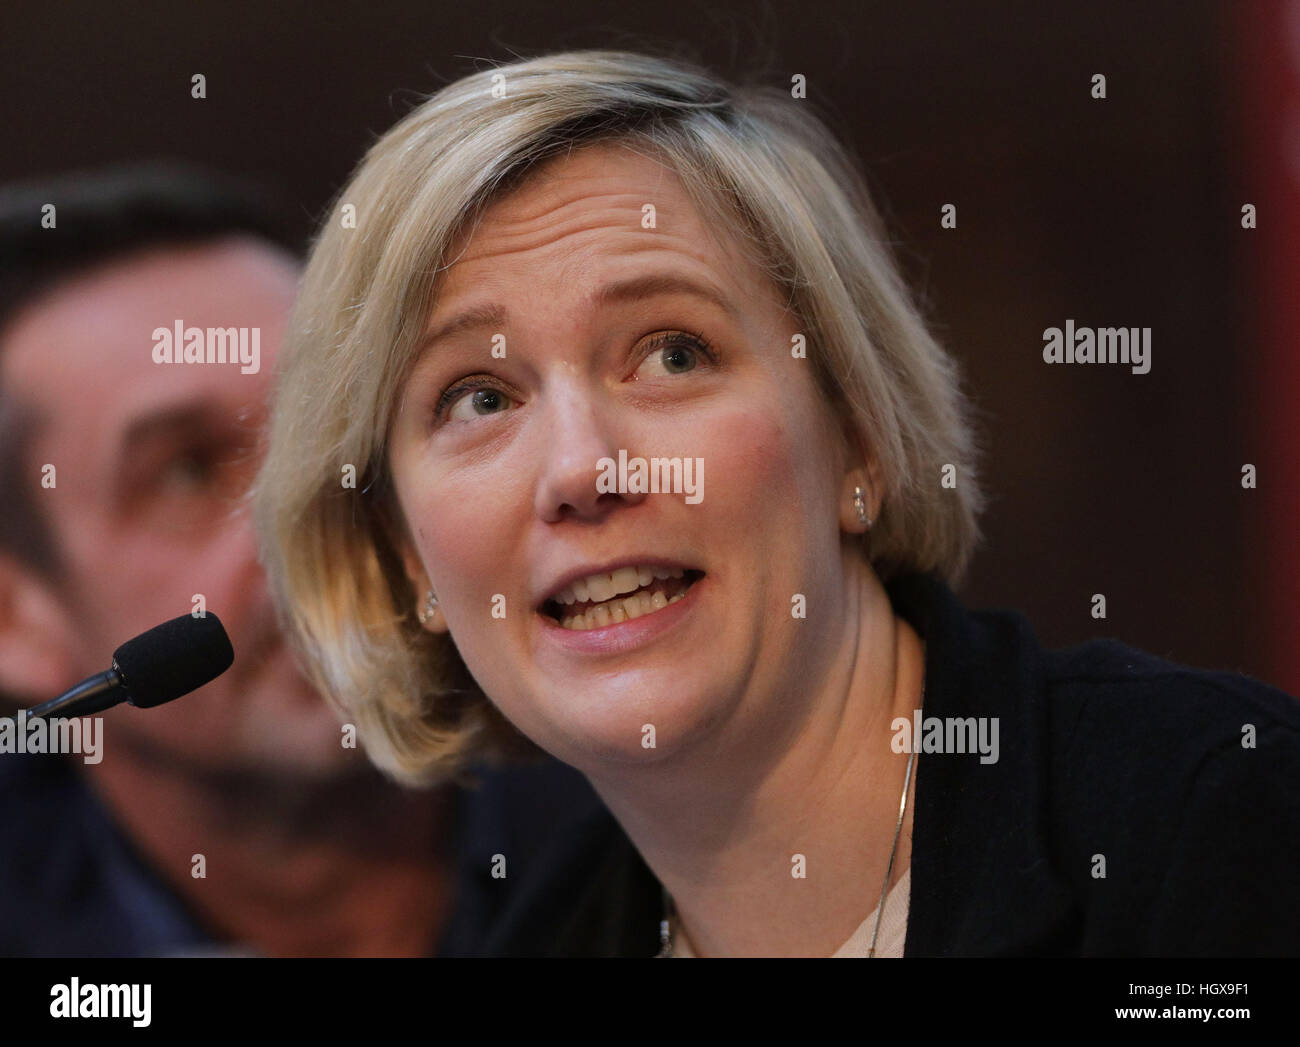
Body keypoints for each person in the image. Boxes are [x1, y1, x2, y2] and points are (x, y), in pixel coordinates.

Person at [253, 49, 1300, 957]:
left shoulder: (1212, 821)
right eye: (477, 397)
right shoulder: (537, 931)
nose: (580, 470)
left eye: (672, 353)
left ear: (855, 434)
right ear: (401, 557)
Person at [0, 164, 471, 957]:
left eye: (335, 422)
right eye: (188, 469)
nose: (318, 512)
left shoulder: (661, 808)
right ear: (14, 619)